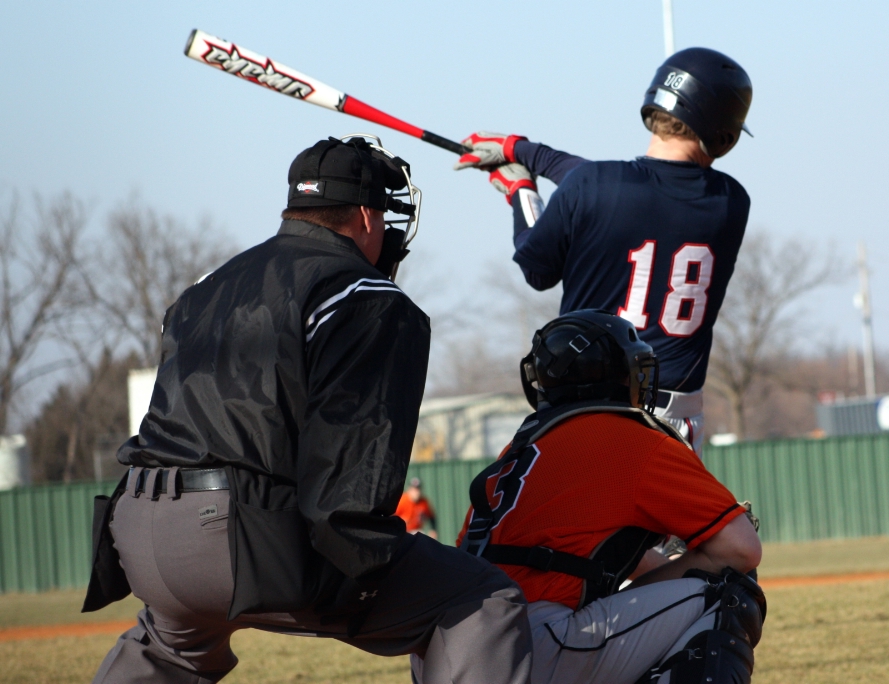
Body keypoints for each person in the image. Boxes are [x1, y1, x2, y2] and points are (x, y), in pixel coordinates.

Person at [83, 135, 532, 684]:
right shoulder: (363, 293)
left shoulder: (205, 287)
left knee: (172, 643)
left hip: (138, 531)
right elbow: (350, 469)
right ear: (367, 216)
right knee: (481, 596)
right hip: (237, 539)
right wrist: (362, 569)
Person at [454, 48, 754, 458]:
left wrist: (520, 190)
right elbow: (611, 183)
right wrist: (522, 149)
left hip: (588, 413)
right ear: (724, 131)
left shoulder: (592, 187)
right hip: (675, 425)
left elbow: (538, 269)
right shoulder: (731, 202)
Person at [453, 310, 766, 684]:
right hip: (529, 646)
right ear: (620, 375)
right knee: (728, 590)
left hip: (449, 649)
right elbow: (742, 549)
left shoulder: (522, 447)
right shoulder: (628, 439)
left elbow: (576, 556)